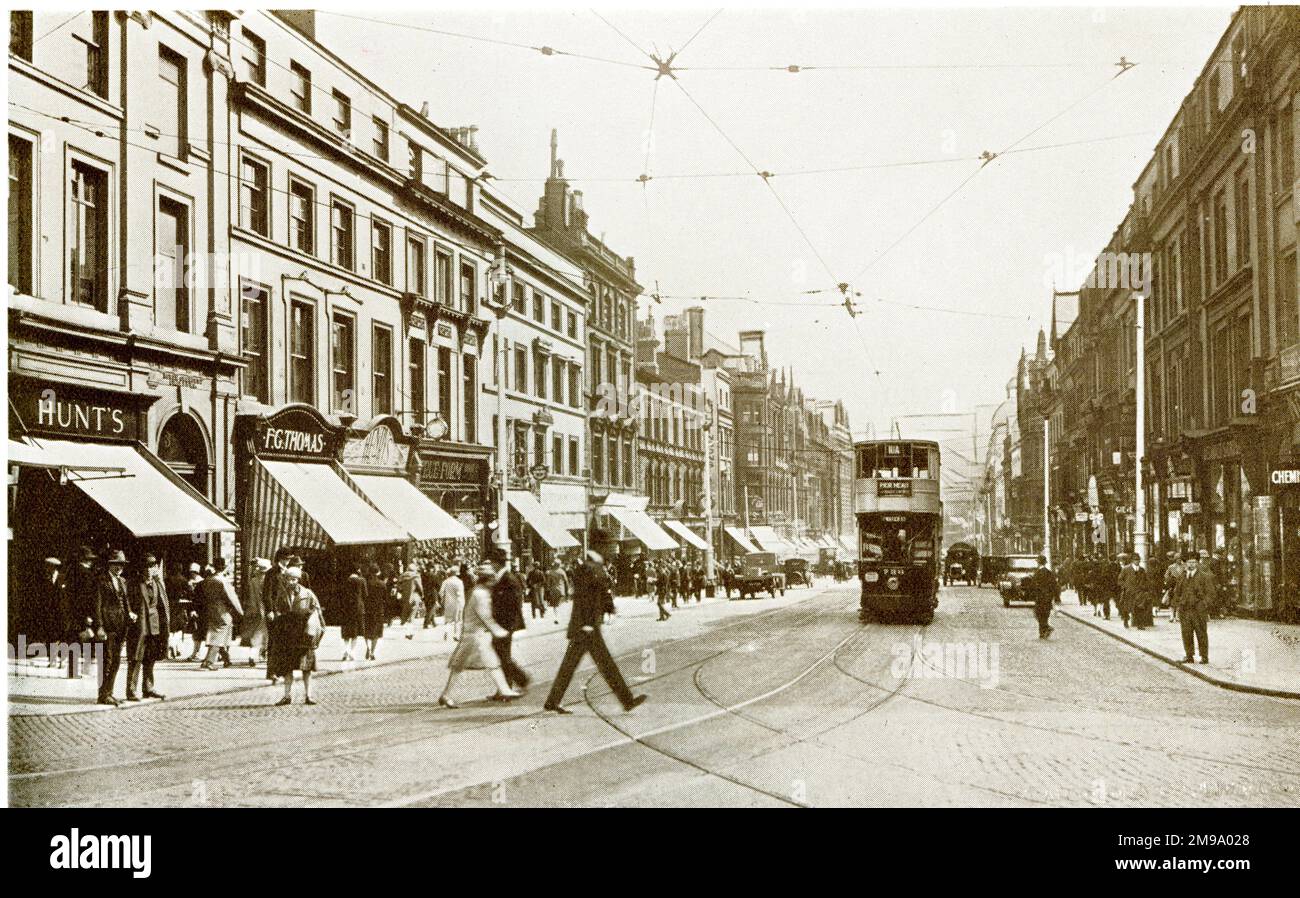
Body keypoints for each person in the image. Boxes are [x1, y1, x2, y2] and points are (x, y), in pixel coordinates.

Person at [544, 529, 647, 715]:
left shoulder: (594, 565)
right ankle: (627, 700)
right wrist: (587, 623)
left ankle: (553, 701)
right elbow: (583, 597)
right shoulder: (587, 567)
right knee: (605, 665)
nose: (610, 549)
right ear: (599, 546)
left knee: (572, 666)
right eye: (607, 545)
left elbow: (600, 592)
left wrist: (608, 608)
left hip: (588, 626)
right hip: (586, 627)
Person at [438, 563, 521, 707]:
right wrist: (498, 630)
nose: (494, 581)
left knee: (488, 663)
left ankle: (504, 689)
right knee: (465, 666)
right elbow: (484, 616)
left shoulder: (479, 591)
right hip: (475, 636)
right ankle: (446, 695)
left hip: (475, 635)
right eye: (492, 579)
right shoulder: (480, 594)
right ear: (487, 579)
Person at [267, 566, 323, 705]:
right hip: (287, 635)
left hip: (304, 634)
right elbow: (277, 611)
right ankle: (287, 696)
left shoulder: (308, 594)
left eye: (294, 579)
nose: (291, 582)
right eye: (288, 579)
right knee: (287, 668)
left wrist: (319, 632)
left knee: (306, 668)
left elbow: (317, 613)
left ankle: (309, 695)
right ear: (285, 579)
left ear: (298, 580)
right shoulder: (281, 594)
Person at [125, 554, 169, 701]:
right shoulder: (133, 584)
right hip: (139, 627)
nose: (150, 569)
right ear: (141, 569)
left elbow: (161, 606)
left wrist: (164, 626)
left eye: (152, 566)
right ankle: (131, 691)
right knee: (136, 658)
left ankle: (148, 688)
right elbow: (127, 603)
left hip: (154, 627)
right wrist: (130, 614)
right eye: (147, 566)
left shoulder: (157, 584)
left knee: (150, 658)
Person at [94, 550, 133, 705]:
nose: (119, 568)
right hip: (108, 625)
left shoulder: (123, 581)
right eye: (116, 564)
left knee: (116, 660)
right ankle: (103, 694)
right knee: (107, 661)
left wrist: (130, 613)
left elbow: (125, 601)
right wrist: (100, 626)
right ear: (110, 565)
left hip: (121, 626)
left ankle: (109, 692)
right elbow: (97, 605)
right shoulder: (101, 581)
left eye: (121, 565)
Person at [491, 559, 530, 692]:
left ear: (497, 564)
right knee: (502, 653)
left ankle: (519, 680)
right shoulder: (502, 578)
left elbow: (514, 603)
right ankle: (507, 686)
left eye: (491, 563)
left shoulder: (509, 579)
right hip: (502, 623)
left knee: (502, 653)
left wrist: (510, 625)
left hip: (506, 624)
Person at [199, 559, 242, 670]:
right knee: (219, 634)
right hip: (222, 609)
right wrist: (240, 612)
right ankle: (209, 661)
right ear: (224, 567)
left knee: (217, 633)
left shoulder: (208, 580)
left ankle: (225, 659)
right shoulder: (223, 581)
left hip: (210, 608)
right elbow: (232, 598)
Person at [1173, 550, 1215, 664]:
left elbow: (1211, 594)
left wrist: (1204, 605)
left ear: (1197, 563)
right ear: (1186, 563)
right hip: (1185, 609)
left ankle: (1204, 656)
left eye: (1194, 562)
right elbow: (1177, 592)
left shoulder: (1204, 577)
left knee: (1201, 633)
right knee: (1186, 633)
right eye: (1189, 562)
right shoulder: (1182, 576)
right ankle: (1189, 655)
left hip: (1198, 610)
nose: (1191, 564)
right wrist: (1178, 605)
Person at [241, 557, 271, 667]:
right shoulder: (268, 581)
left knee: (256, 634)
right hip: (265, 609)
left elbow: (249, 597)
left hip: (253, 609)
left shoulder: (252, 581)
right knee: (266, 634)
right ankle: (263, 654)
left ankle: (252, 655)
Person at [1025, 555, 1059, 638]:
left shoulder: (1037, 573)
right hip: (1048, 598)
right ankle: (1043, 632)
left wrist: (1028, 595)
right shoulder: (1049, 573)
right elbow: (1054, 585)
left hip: (1040, 597)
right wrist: (1056, 597)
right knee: (1045, 615)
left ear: (1039, 563)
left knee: (1038, 614)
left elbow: (1032, 586)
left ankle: (1045, 628)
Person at [1119, 552, 1155, 630]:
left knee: (1139, 609)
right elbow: (1120, 580)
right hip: (1129, 592)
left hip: (1139, 593)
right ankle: (1125, 620)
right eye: (1135, 560)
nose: (1137, 561)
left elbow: (1146, 580)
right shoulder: (1126, 569)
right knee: (1127, 608)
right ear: (1132, 561)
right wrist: (1126, 586)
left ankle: (1140, 624)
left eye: (1138, 560)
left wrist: (1144, 587)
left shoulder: (1142, 570)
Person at [340, 562, 367, 662]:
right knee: (355, 631)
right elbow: (365, 594)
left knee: (347, 631)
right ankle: (352, 652)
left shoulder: (345, 581)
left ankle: (346, 650)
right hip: (358, 608)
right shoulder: (362, 580)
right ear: (358, 570)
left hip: (346, 608)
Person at [363, 563, 388, 661]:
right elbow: (385, 598)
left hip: (368, 608)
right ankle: (372, 652)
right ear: (378, 572)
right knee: (376, 632)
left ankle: (368, 647)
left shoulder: (366, 582)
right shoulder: (382, 584)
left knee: (367, 630)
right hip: (378, 610)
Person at [397, 563, 424, 639]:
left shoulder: (402, 577)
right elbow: (420, 587)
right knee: (412, 616)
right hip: (414, 597)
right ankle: (409, 633)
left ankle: (406, 631)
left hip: (405, 598)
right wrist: (422, 595)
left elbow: (399, 588)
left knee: (405, 615)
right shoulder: (416, 577)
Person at [440, 567, 465, 641]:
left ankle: (446, 632)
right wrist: (462, 604)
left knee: (448, 620)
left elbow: (441, 592)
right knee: (457, 620)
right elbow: (460, 594)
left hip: (448, 602)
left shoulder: (446, 581)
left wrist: (442, 600)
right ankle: (456, 635)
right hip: (458, 602)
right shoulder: (459, 582)